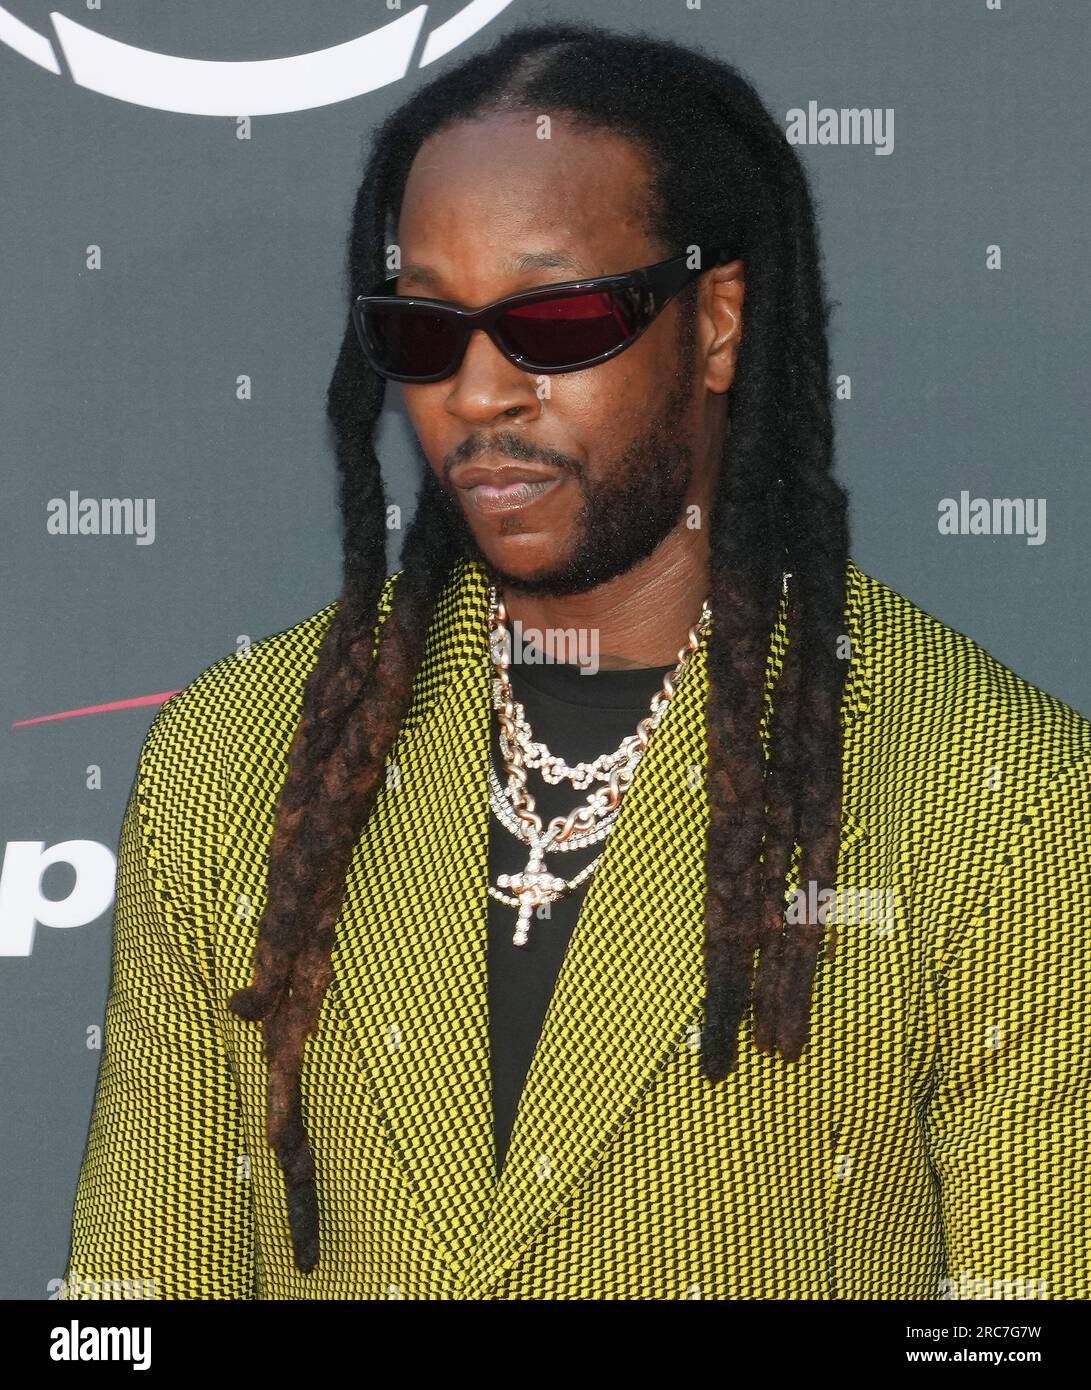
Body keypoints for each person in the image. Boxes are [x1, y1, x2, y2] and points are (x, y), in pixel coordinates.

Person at [62, 20, 1090, 1301]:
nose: (480, 393)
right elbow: (126, 1319)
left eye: (553, 319)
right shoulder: (239, 760)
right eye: (425, 333)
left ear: (715, 325)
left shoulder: (1000, 799)